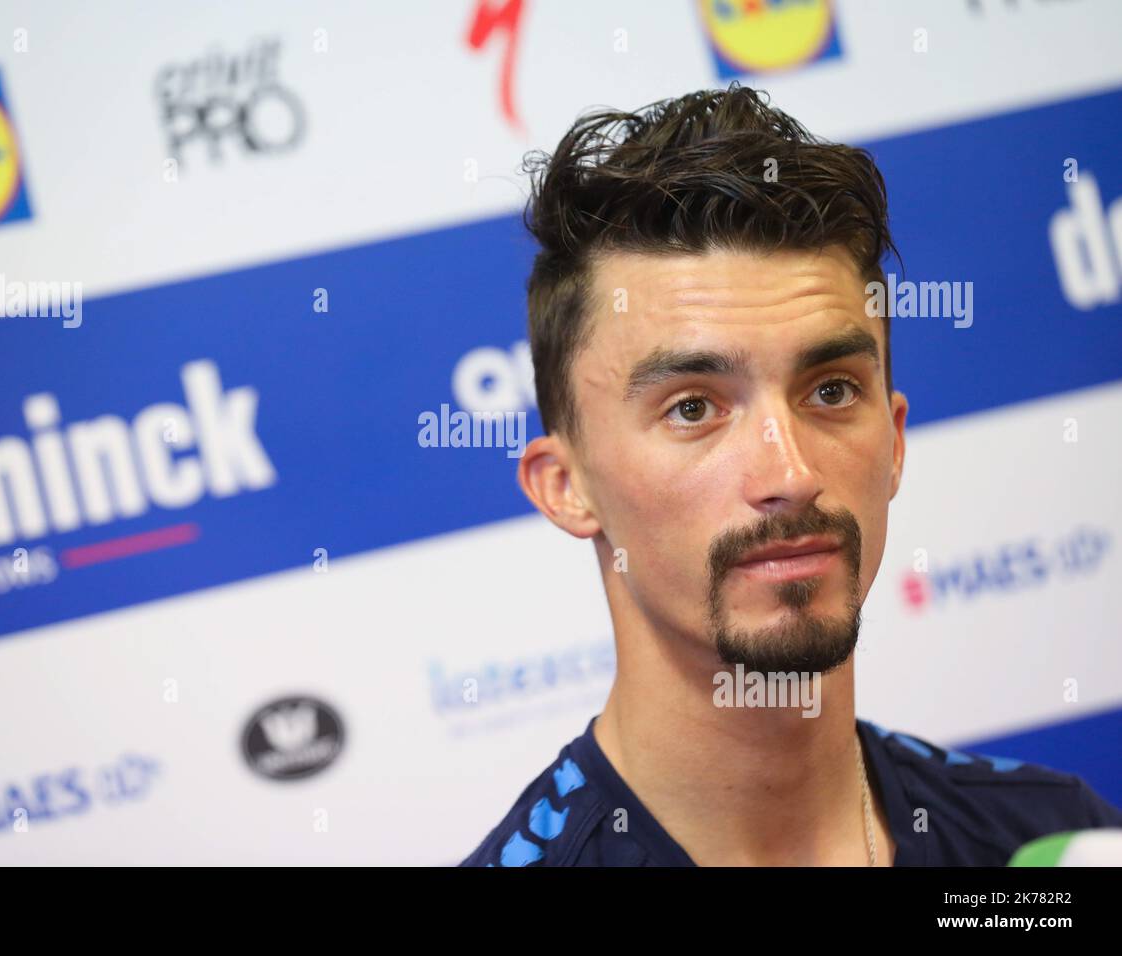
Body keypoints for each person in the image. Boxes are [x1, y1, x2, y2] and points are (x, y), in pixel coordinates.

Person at [459, 84, 1122, 867]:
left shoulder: (1048, 846)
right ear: (566, 487)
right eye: (694, 407)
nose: (790, 471)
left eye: (832, 391)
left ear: (896, 440)